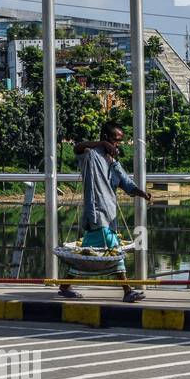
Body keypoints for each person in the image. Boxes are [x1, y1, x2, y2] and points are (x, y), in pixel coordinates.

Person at [59, 121, 152, 303]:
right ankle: (127, 291)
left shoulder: (113, 162)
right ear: (105, 139)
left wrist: (143, 194)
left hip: (109, 216)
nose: (117, 145)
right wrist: (100, 144)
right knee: (114, 251)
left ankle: (64, 285)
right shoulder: (90, 155)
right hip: (96, 213)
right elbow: (77, 148)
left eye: (120, 141)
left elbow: (127, 185)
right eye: (115, 140)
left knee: (87, 253)